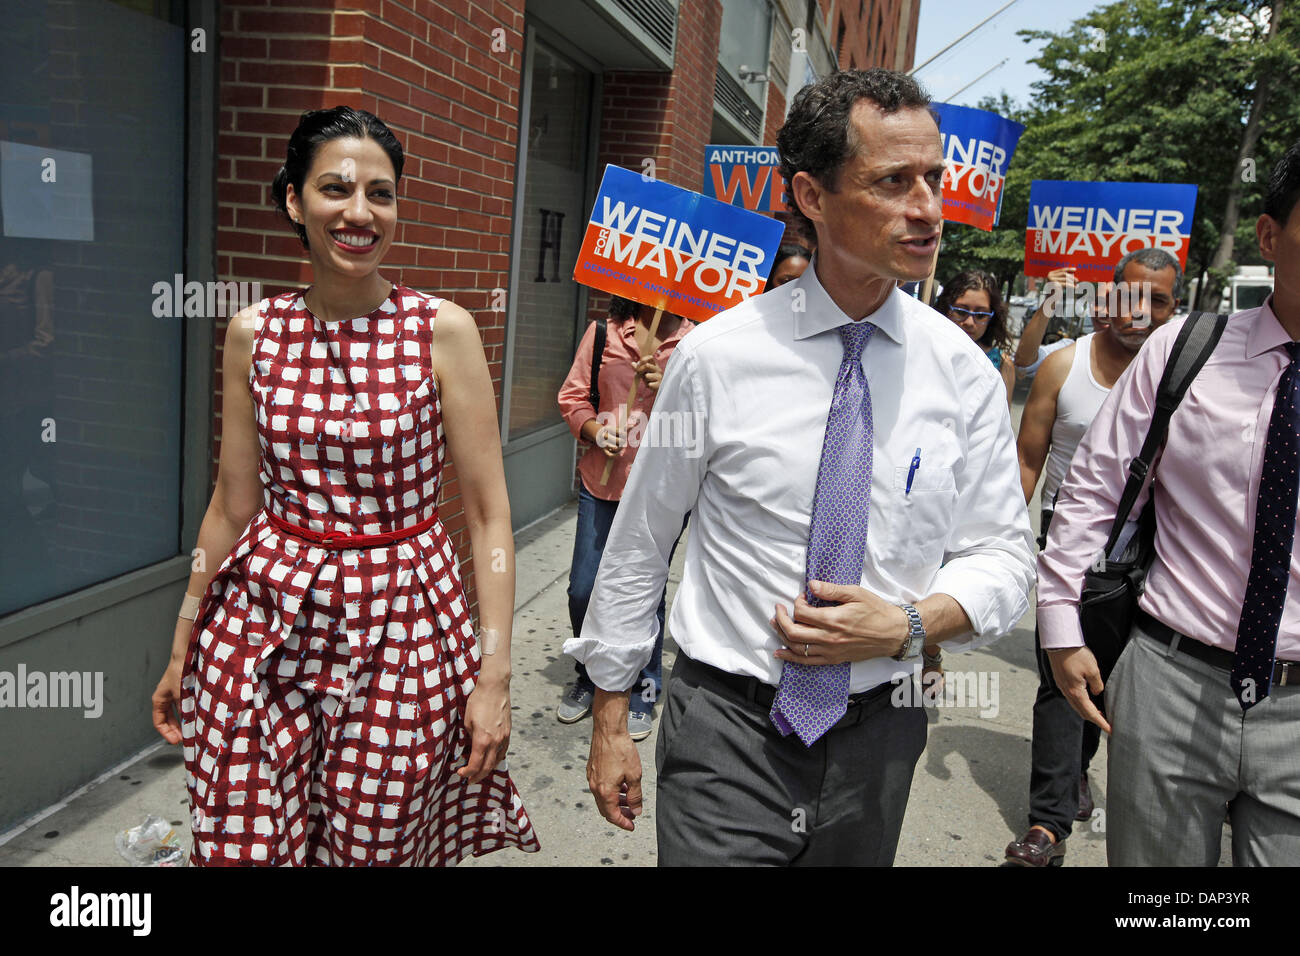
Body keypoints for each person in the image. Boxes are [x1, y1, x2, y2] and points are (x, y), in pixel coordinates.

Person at [568, 68, 1035, 866]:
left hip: (882, 733)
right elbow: (642, 540)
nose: (928, 208)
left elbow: (1004, 555)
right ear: (812, 197)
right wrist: (611, 714)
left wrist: (910, 623)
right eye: (893, 182)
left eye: (934, 179)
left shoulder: (961, 371)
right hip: (726, 732)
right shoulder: (717, 357)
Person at [150, 106, 539, 865]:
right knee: (242, 844)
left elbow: (491, 517)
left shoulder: (442, 330)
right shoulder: (254, 332)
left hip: (402, 630)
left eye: (381, 195)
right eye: (336, 189)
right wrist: (182, 639)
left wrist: (493, 672)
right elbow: (232, 505)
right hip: (263, 628)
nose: (360, 212)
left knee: (375, 848)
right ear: (295, 202)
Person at [1039, 140, 1300, 866]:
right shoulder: (1186, 351)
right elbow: (1093, 486)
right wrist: (1061, 624)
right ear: (1271, 236)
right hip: (1171, 684)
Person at [1005, 247, 1181, 866]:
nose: (1141, 312)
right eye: (1130, 295)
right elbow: (1027, 460)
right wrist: (1005, 543)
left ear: (1174, 309)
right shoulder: (1062, 366)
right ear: (1108, 296)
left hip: (1158, 555)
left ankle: (1078, 768)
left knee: (1114, 682)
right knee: (1060, 677)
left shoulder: (1188, 377)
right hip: (1071, 548)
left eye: (1156, 300)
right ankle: (1047, 824)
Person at [555, 295, 693, 739]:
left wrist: (670, 383)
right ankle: (589, 675)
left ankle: (642, 689)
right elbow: (573, 397)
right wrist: (596, 432)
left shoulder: (697, 341)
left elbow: (710, 417)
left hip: (658, 491)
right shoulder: (604, 333)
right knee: (584, 588)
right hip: (603, 482)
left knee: (644, 591)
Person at [935, 270, 1015, 404]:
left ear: (991, 318)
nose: (969, 323)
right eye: (961, 312)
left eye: (980, 315)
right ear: (945, 308)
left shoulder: (1003, 364)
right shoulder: (926, 348)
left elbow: (1001, 421)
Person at [1014, 267, 1080, 379]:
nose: (1104, 311)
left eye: (1114, 301)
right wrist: (1051, 298)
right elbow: (1024, 361)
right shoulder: (1071, 350)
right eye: (1100, 303)